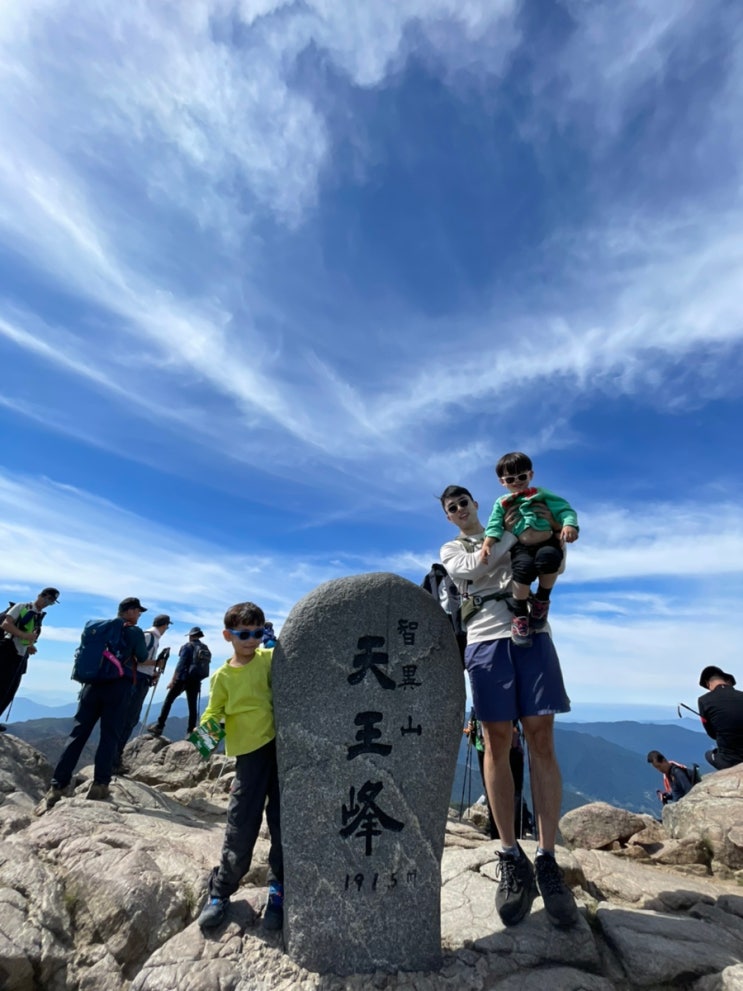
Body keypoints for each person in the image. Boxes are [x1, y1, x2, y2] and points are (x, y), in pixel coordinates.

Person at [440, 484, 579, 929]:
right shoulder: (452, 547)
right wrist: (510, 541)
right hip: (484, 639)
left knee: (541, 739)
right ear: (449, 516)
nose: (460, 510)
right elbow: (469, 572)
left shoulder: (512, 522)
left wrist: (539, 533)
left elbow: (550, 554)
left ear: (478, 504)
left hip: (533, 634)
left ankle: (547, 859)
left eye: (464, 503)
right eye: (452, 507)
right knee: (495, 741)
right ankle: (509, 854)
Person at [196, 601, 283, 932]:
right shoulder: (221, 676)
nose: (251, 639)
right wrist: (204, 741)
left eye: (257, 633)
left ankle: (279, 889)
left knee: (281, 822)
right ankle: (220, 893)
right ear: (227, 635)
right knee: (241, 824)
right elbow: (214, 713)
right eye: (243, 633)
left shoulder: (271, 658)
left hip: (282, 751)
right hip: (249, 756)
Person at [38, 597, 148, 811]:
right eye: (138, 611)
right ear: (131, 611)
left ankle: (57, 787)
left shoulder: (97, 628)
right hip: (118, 687)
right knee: (109, 736)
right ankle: (100, 785)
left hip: (91, 687)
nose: (139, 615)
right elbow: (142, 656)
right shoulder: (133, 631)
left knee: (78, 735)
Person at [479, 453, 578, 647]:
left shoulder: (541, 493)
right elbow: (494, 525)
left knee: (549, 558)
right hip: (521, 546)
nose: (516, 482)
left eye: (521, 477)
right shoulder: (501, 503)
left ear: (530, 475)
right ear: (502, 482)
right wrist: (487, 543)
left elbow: (564, 509)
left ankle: (542, 600)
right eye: (510, 479)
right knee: (522, 570)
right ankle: (520, 614)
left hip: (547, 541)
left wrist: (568, 525)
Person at [114, 613, 172, 772]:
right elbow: (137, 659)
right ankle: (114, 759)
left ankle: (114, 758)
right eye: (167, 626)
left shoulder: (152, 637)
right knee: (128, 719)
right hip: (136, 681)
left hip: (140, 679)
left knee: (129, 719)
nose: (167, 629)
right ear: (164, 625)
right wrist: (157, 663)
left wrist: (152, 671)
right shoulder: (149, 637)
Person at [0, 587, 60, 727]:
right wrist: (24, 636)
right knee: (2, 686)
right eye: (48, 599)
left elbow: (29, 634)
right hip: (7, 651)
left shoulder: (38, 615)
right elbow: (5, 624)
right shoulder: (21, 606)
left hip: (21, 655)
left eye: (52, 602)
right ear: (41, 595)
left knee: (9, 690)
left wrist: (30, 645)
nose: (48, 603)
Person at [148, 626, 209, 737]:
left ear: (191, 636)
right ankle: (190, 731)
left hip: (183, 679)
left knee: (168, 701)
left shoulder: (188, 646)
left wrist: (172, 680)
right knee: (192, 706)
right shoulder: (205, 648)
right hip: (196, 681)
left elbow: (181, 664)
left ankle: (159, 726)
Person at [698, 666, 743, 770]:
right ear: (726, 680)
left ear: (708, 683)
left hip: (729, 761)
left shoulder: (703, 700)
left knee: (709, 754)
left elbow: (712, 734)